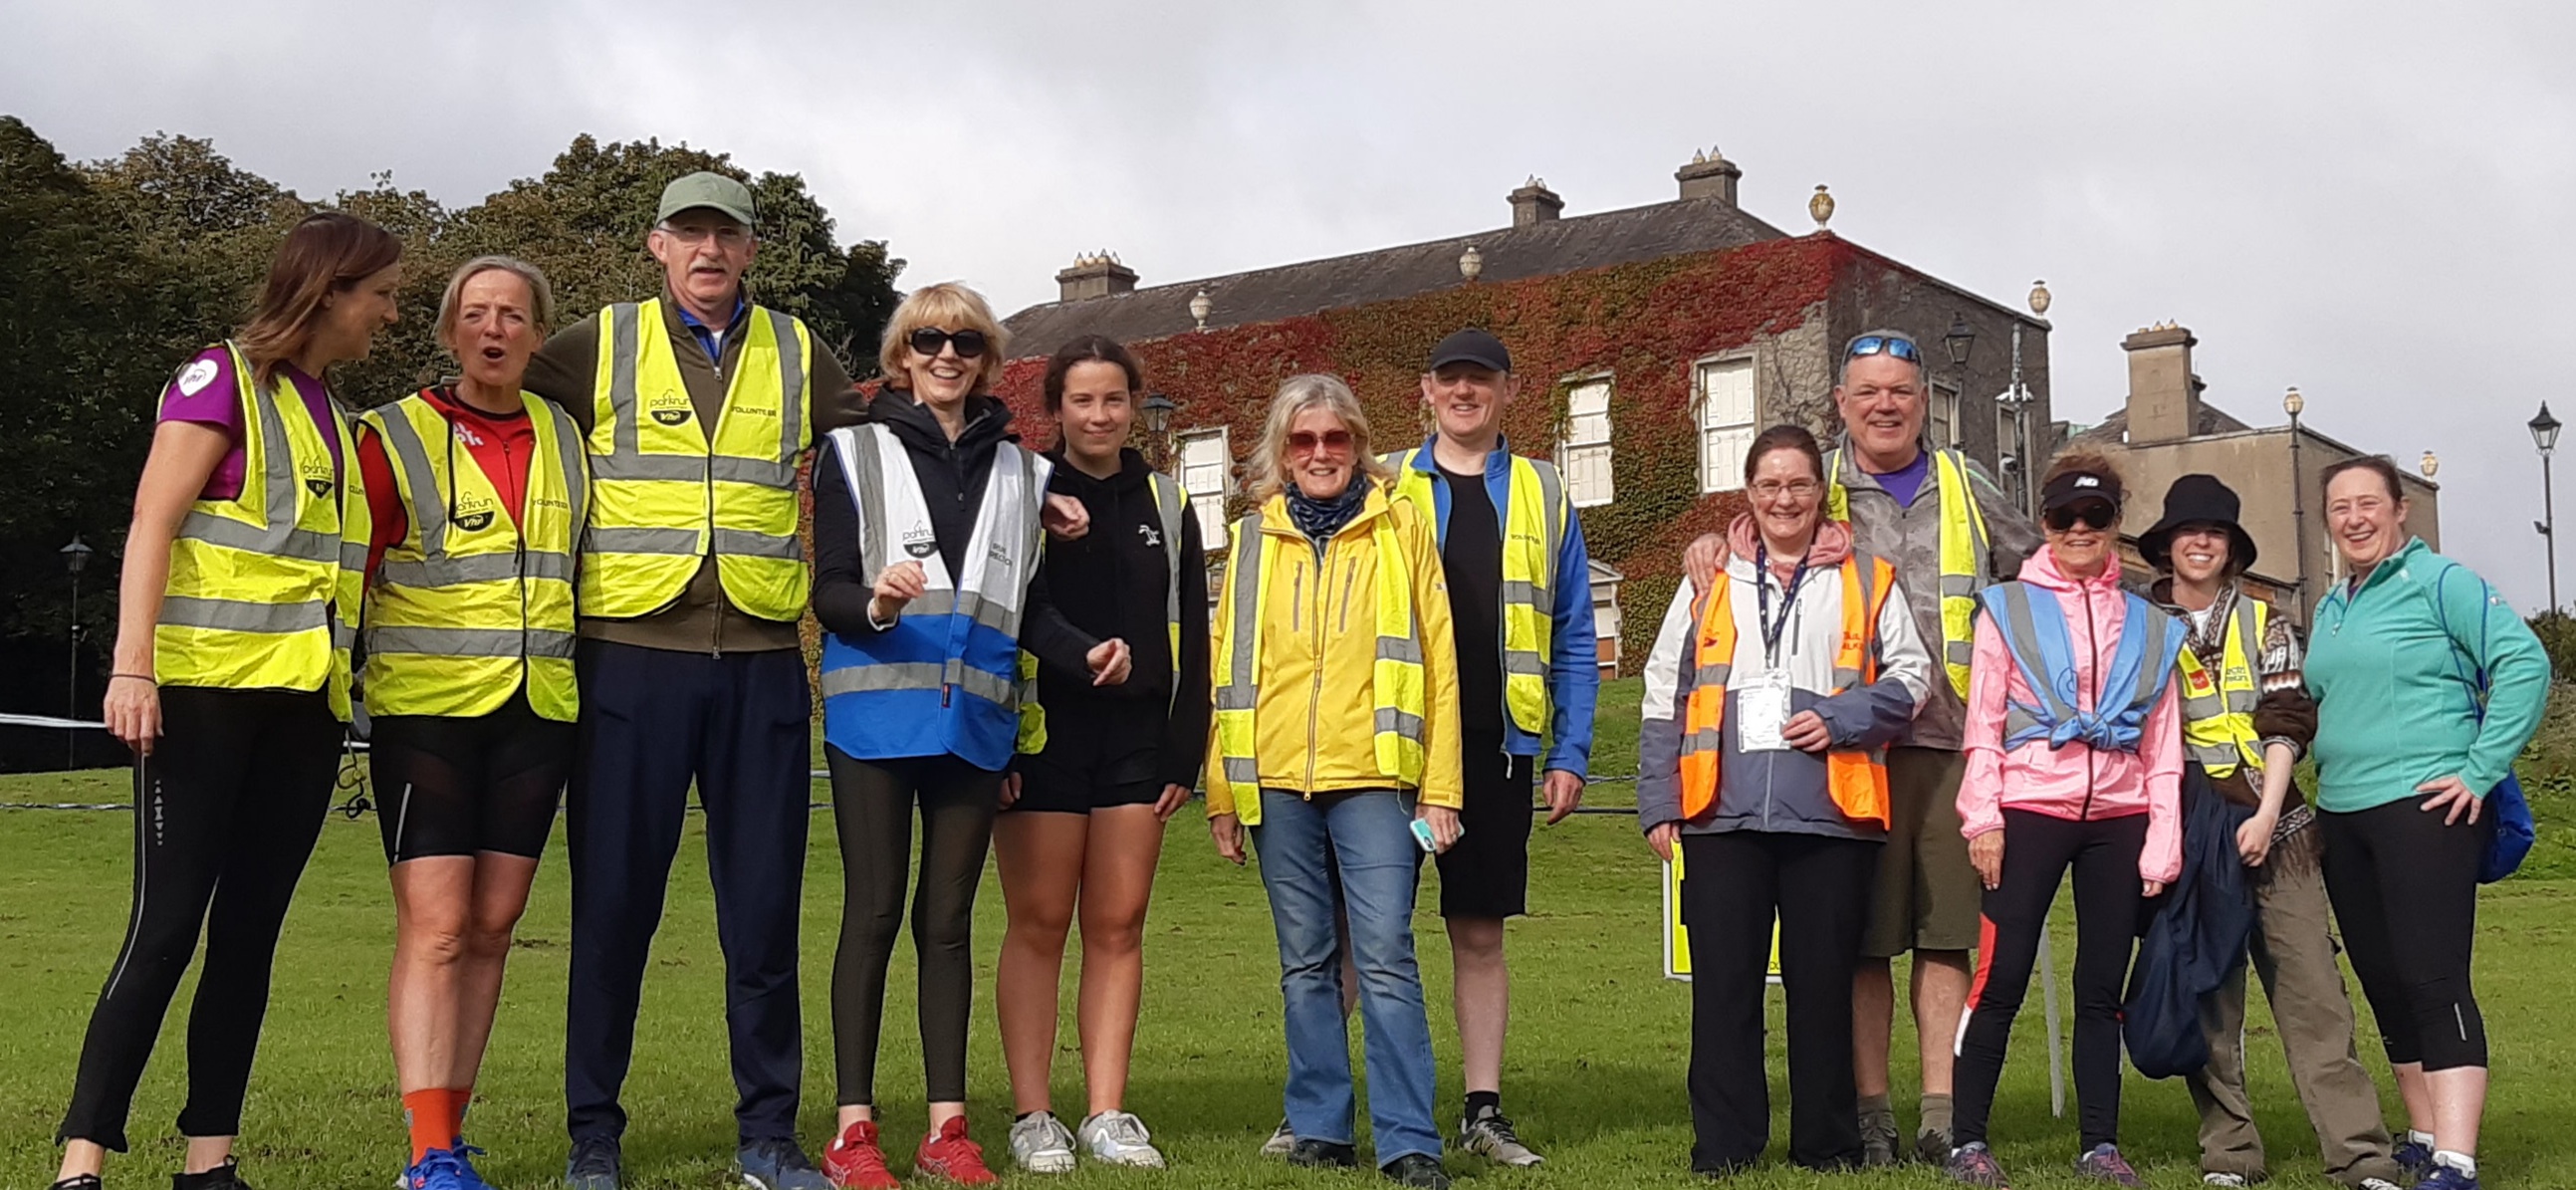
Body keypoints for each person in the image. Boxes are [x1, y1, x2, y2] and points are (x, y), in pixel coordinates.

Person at [520, 171, 863, 1190]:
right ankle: (594, 1136)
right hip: (629, 661)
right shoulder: (595, 342)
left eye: (727, 234)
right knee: (614, 911)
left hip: (761, 663)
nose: (709, 249)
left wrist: (1024, 487)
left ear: (752, 250)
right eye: (690, 233)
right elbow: (498, 415)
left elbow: (888, 454)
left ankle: (768, 1137)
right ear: (655, 245)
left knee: (761, 915)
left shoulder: (801, 351)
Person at [56, 211, 400, 1190]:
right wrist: (131, 666)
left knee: (248, 938)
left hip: (305, 712)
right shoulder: (219, 381)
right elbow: (150, 525)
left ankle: (212, 1162)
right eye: (380, 292)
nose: (389, 310)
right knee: (164, 927)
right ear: (331, 290)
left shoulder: (336, 414)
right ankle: (82, 1160)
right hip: (200, 704)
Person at [1683, 329, 2039, 1165]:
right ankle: (1869, 1109)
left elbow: (2041, 574)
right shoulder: (1819, 483)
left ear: (1925, 403)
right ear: (1840, 404)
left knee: (1946, 933)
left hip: (1952, 738)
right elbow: (1756, 540)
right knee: (1860, 941)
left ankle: (1940, 1110)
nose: (1885, 405)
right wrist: (1708, 543)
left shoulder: (1964, 482)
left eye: (1901, 391)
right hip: (1847, 753)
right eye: (1867, 391)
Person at [809, 285, 1131, 1190]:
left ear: (985, 359)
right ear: (900, 355)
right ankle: (853, 1130)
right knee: (872, 914)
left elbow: (1027, 610)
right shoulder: (849, 451)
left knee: (946, 925)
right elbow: (827, 585)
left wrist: (1084, 652)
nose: (945, 354)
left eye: (964, 341)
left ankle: (948, 1128)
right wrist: (873, 601)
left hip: (975, 722)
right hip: (875, 714)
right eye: (927, 339)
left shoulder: (1027, 474)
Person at [1637, 425, 1932, 1175]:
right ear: (1748, 493)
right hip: (1719, 814)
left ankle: (1827, 1144)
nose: (1783, 497)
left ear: (1819, 491)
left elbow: (1911, 680)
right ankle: (1726, 1146)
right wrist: (1656, 798)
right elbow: (1663, 686)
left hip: (1831, 815)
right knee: (1723, 990)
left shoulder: (1869, 577)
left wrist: (1838, 717)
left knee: (1822, 989)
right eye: (1768, 484)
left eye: (1797, 483)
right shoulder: (1709, 576)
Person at [355, 257, 587, 1190]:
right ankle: (425, 1152)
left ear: (537, 334)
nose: (496, 330)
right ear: (449, 329)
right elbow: (352, 568)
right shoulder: (391, 435)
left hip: (538, 708)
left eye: (515, 316)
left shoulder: (569, 437)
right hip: (429, 711)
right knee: (439, 927)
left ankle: (452, 1132)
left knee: (494, 925)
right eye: (477, 314)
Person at [1206, 374, 1464, 1190]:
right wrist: (1221, 789)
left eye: (1335, 438)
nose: (1320, 454)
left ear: (1358, 444)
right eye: (1303, 441)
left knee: (1385, 954)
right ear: (1281, 453)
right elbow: (1226, 672)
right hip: (1276, 781)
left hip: (1378, 779)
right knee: (1304, 960)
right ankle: (1319, 1125)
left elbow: (1440, 660)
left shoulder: (1403, 527)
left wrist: (1442, 788)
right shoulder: (1250, 541)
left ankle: (1407, 1137)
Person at [2139, 475, 2404, 1190]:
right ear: (2165, 545)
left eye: (2214, 532)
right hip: (2190, 832)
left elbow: (2287, 722)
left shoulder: (2267, 620)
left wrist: (2263, 814)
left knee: (2314, 996)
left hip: (2276, 826)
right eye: (2187, 531)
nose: (2199, 542)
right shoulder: (2140, 623)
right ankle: (2228, 1151)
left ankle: (2360, 1155)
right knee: (2210, 997)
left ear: (2230, 548)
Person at [1379, 328, 1598, 1166]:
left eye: (1481, 380)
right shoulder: (1387, 483)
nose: (1464, 393)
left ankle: (1481, 1109)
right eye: (1449, 380)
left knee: (1478, 932)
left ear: (1509, 390)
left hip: (1496, 752)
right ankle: (1317, 1104)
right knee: (1369, 930)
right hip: (1396, 750)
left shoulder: (1543, 490)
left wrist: (1569, 750)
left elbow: (1573, 631)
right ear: (1425, 391)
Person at [992, 336, 1210, 1174]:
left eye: (1112, 399)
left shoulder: (1164, 499)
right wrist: (999, 743)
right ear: (1056, 408)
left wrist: (1182, 754)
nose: (1098, 414)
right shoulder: (1022, 490)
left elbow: (1192, 626)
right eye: (1081, 400)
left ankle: (1108, 1112)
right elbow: (1001, 614)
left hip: (1137, 741)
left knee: (1117, 925)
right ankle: (1033, 1114)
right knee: (1039, 923)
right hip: (1042, 738)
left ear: (1132, 404)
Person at [2305, 456, 2549, 1190]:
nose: (2353, 517)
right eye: (2339, 506)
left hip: (2426, 808)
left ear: (2398, 509)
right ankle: (2419, 1133)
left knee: (2431, 973)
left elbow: (2524, 662)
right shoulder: (2330, 604)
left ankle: (2456, 1158)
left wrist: (2478, 769)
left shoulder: (2440, 582)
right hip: (2341, 813)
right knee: (2381, 977)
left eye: (2367, 503)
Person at [1942, 452, 2181, 1190]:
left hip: (2119, 814)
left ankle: (2099, 1144)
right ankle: (1966, 1140)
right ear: (2043, 523)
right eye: (2063, 517)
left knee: (2100, 987)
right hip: (2026, 807)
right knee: (2001, 975)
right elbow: (1981, 721)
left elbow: (2163, 742)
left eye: (2096, 516)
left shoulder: (2148, 621)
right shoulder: (2006, 608)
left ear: (2114, 526)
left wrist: (2161, 842)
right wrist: (1981, 816)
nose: (2079, 529)